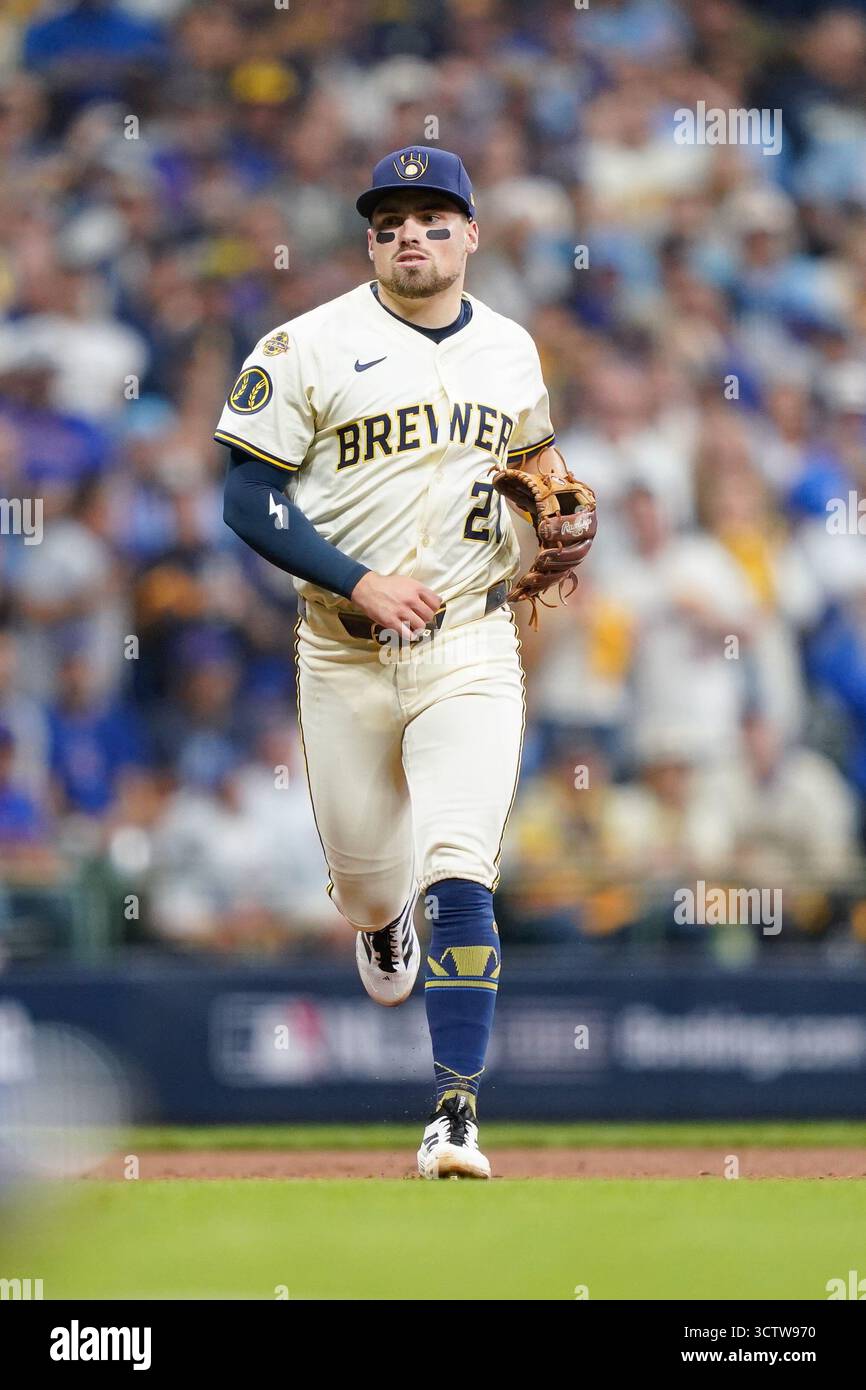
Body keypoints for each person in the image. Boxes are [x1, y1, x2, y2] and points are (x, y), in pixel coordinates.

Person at [216, 146, 595, 1178]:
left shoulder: (512, 350)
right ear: (369, 241)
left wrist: (546, 517)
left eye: (433, 217)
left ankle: (454, 1113)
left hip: (469, 640)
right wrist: (356, 579)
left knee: (460, 868)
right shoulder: (304, 345)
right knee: (365, 881)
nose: (409, 235)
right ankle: (377, 923)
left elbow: (535, 466)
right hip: (339, 651)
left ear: (470, 234)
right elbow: (247, 501)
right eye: (388, 222)